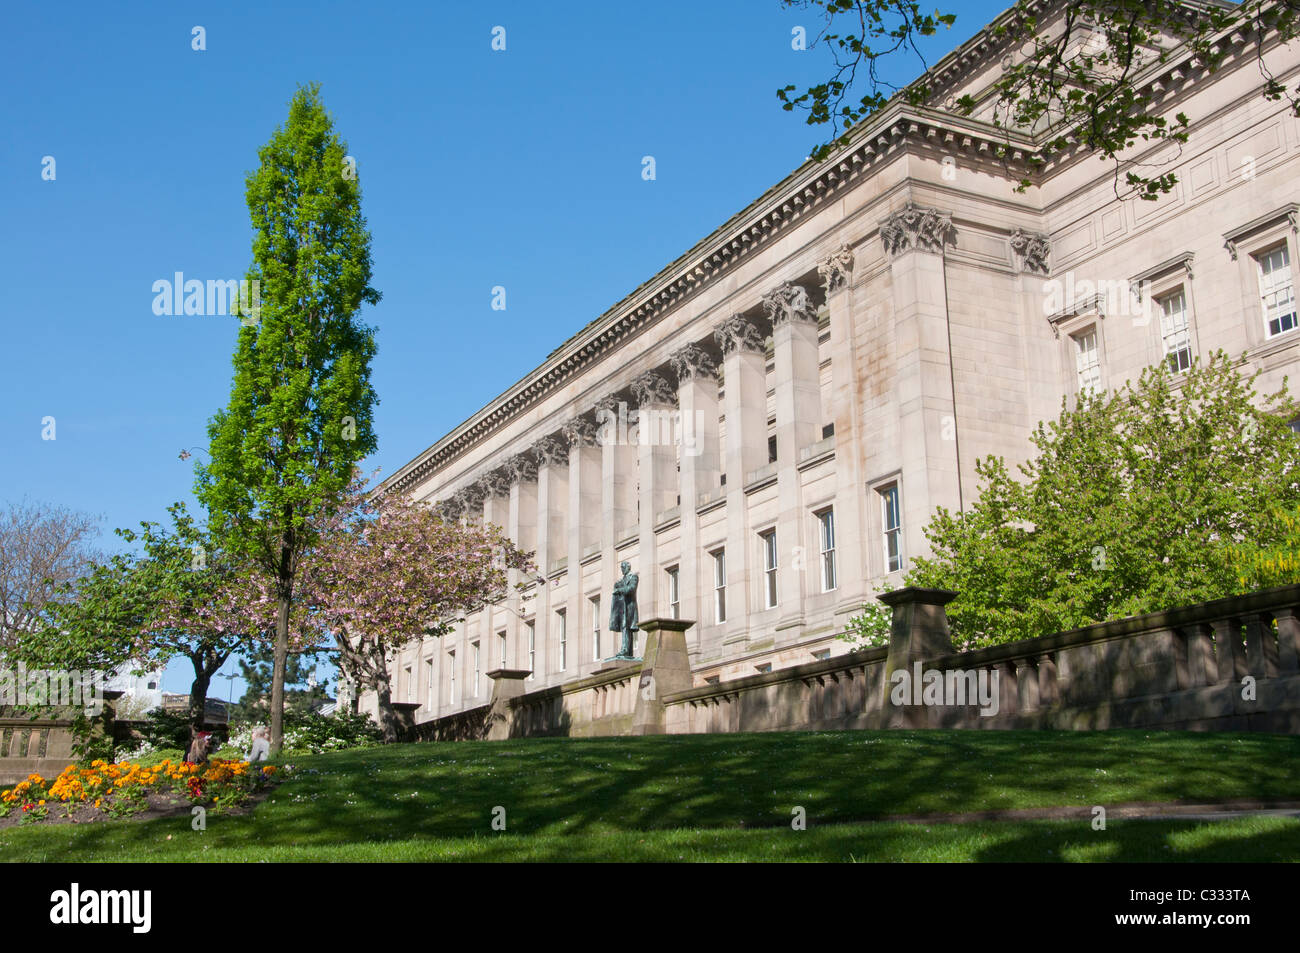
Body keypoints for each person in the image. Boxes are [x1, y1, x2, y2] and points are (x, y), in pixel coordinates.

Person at [608, 560, 640, 658]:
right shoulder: (621, 581)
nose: (622, 569)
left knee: (626, 627)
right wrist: (617, 586)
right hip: (622, 608)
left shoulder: (634, 577)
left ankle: (625, 650)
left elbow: (631, 588)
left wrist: (619, 590)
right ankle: (628, 652)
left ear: (628, 567)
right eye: (621, 567)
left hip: (630, 607)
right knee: (624, 627)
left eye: (623, 567)